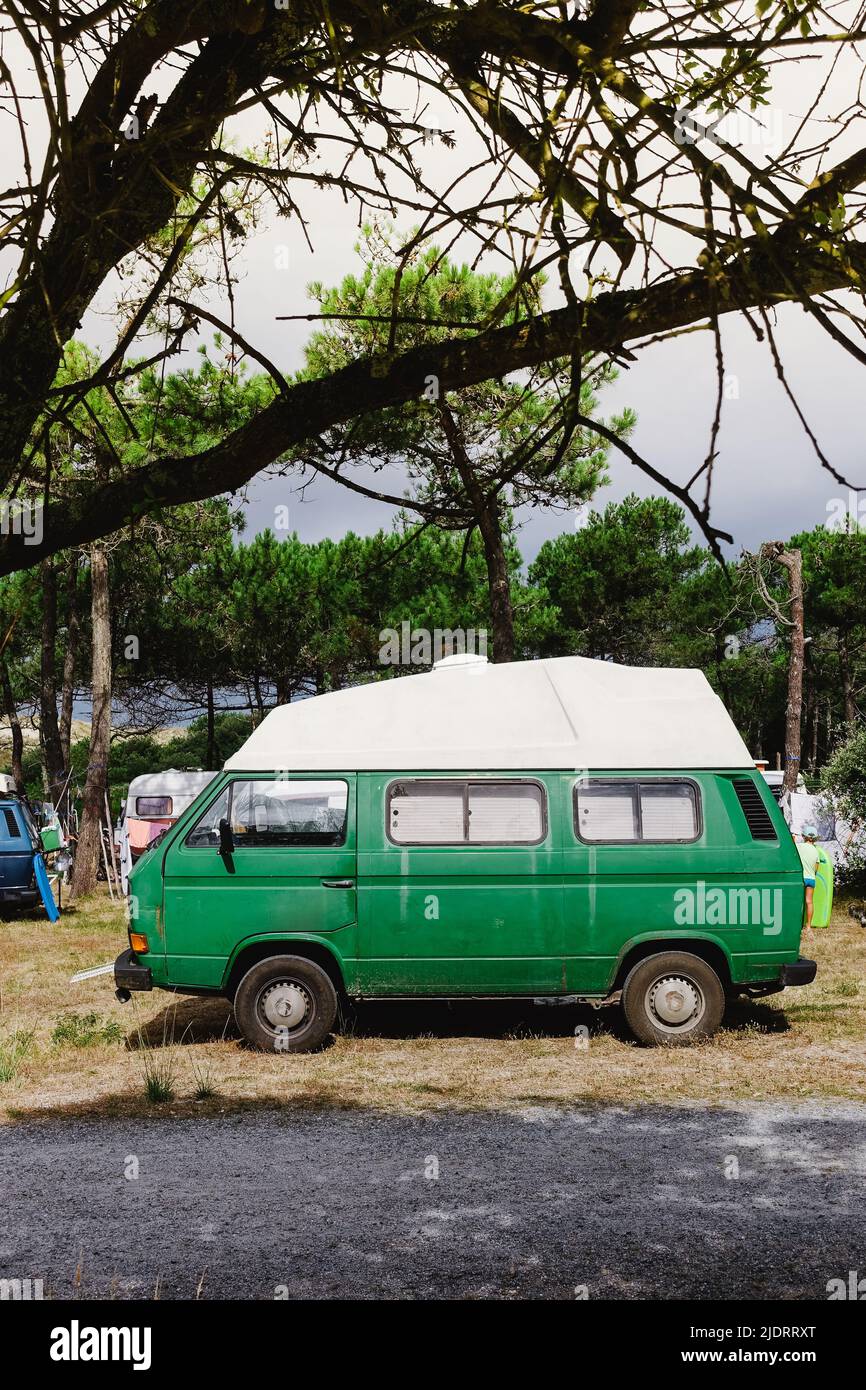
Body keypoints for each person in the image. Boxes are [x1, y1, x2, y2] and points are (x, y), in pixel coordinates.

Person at [797, 825, 821, 936]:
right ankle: (809, 927)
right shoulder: (816, 852)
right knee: (809, 902)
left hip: (801, 878)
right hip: (811, 879)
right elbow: (816, 869)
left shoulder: (799, 847)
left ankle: (797, 925)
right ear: (815, 838)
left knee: (798, 902)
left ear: (804, 836)